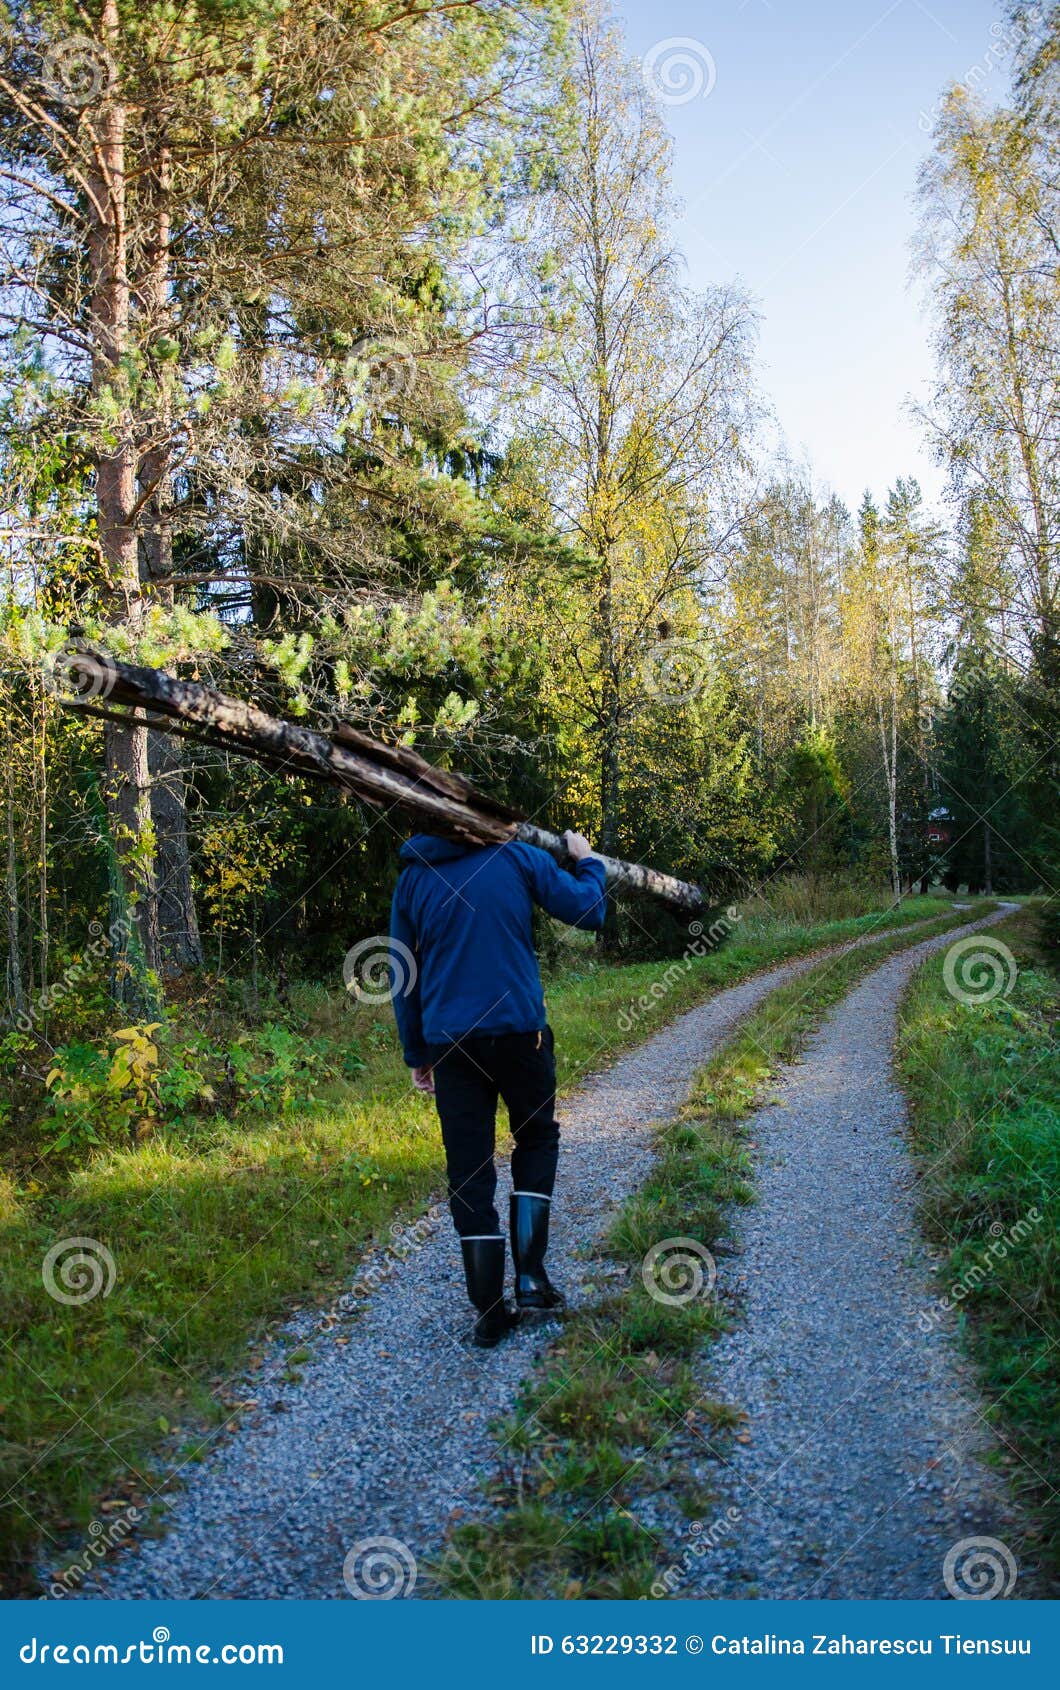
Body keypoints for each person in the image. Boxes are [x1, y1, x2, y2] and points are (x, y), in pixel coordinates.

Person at [389, 828, 607, 1346]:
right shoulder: (518, 856)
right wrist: (588, 861)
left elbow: (403, 971)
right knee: (535, 1138)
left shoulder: (414, 877)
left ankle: (489, 1310)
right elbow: (588, 911)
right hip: (519, 1034)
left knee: (469, 1169)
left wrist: (417, 1052)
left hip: (452, 1044)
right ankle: (531, 1277)